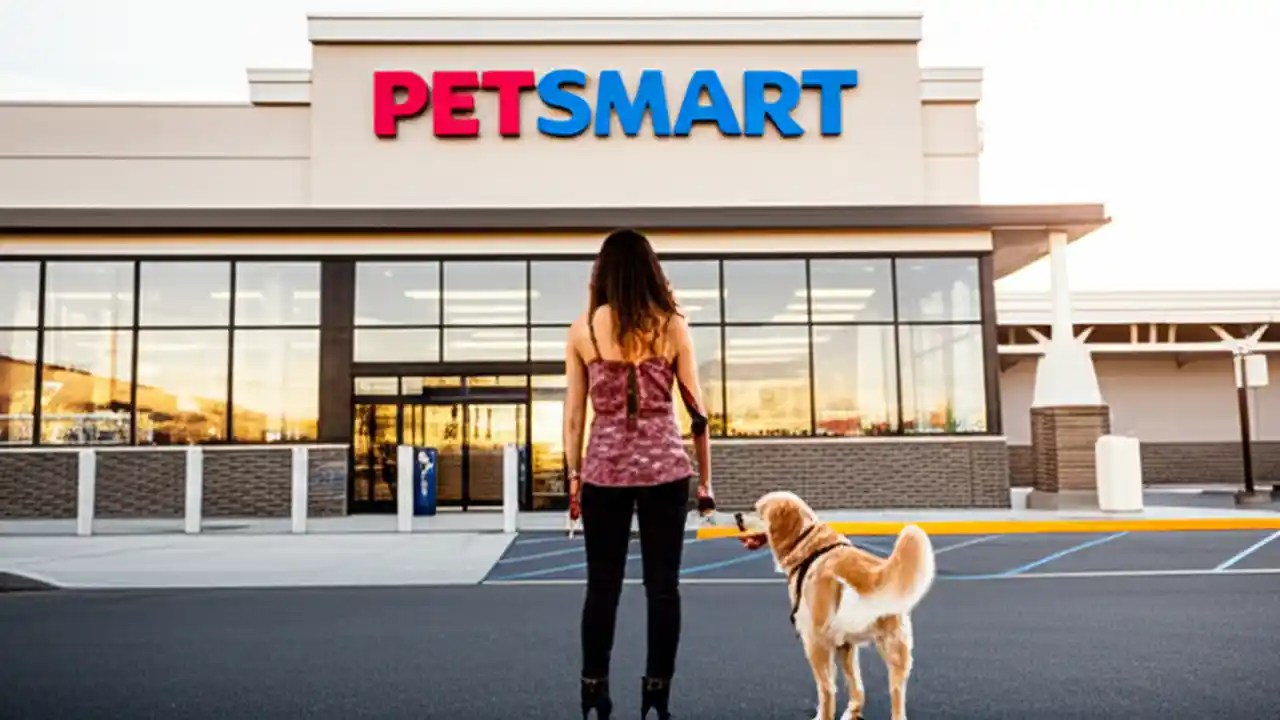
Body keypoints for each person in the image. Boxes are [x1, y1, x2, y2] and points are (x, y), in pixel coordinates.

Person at [563, 228, 714, 720]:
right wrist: (706, 483)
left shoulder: (583, 328)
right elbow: (696, 412)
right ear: (650, 269)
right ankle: (656, 694)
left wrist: (574, 479)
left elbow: (573, 416)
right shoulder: (672, 325)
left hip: (603, 473)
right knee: (663, 587)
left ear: (603, 272)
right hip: (666, 471)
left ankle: (593, 691)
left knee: (601, 587)